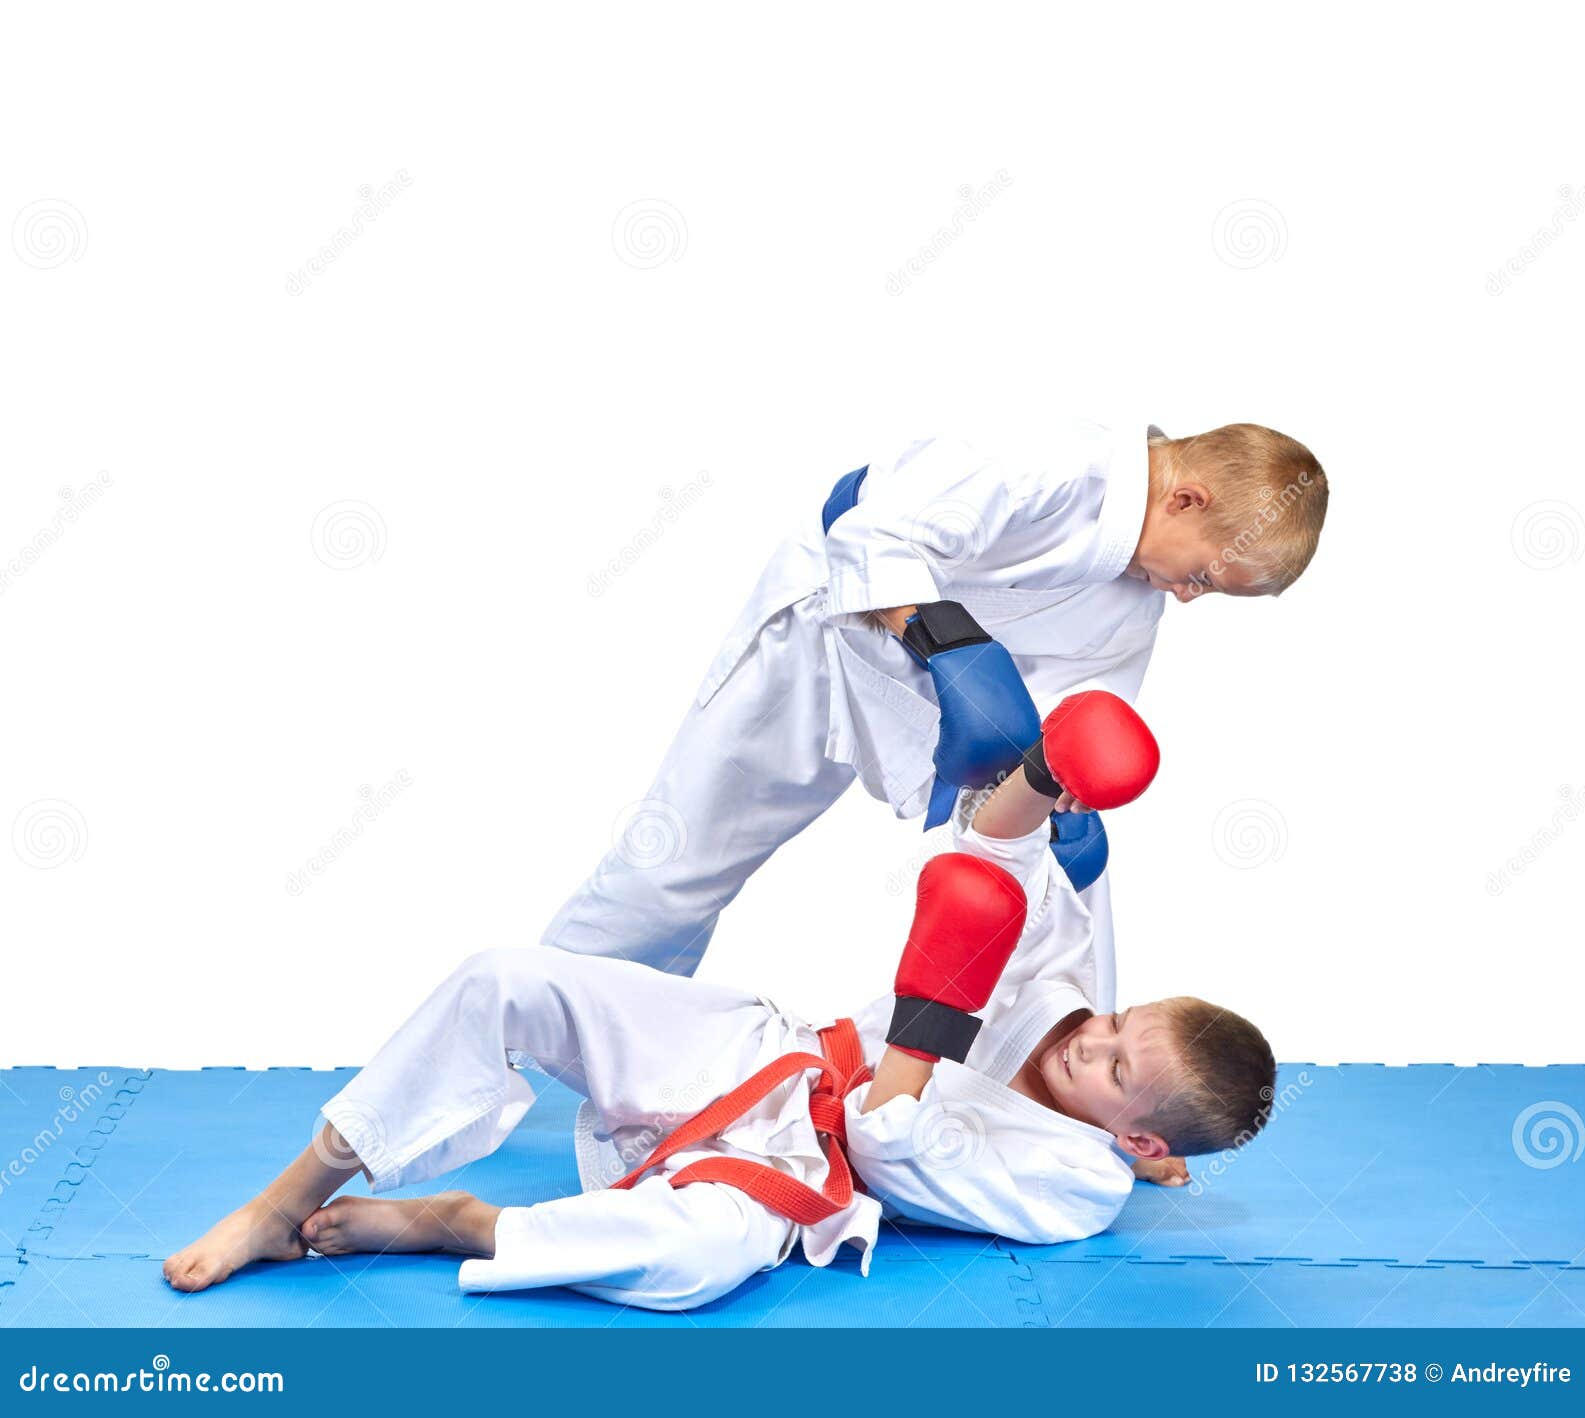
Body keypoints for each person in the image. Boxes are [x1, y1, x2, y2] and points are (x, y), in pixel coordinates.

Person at [164, 695, 1276, 1310]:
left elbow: (889, 1148)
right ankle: (283, 1199)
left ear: (1136, 1139)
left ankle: (464, 1222)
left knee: (695, 1262)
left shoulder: (1075, 1184)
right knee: (507, 974)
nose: (1093, 1031)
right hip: (764, 1051)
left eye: (1117, 1064)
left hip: (802, 1170)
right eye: (1120, 1019)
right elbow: (997, 845)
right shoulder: (1066, 1003)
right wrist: (1042, 767)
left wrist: (934, 1006)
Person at [543, 419, 1328, 978]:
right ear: (1186, 501)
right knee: (680, 861)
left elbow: (1075, 727)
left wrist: (1058, 798)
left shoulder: (1135, 605)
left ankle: (1084, 1097)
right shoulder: (1051, 465)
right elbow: (865, 525)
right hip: (823, 643)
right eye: (1202, 576)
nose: (1189, 599)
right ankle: (530, 1017)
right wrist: (951, 646)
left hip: (936, 701)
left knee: (1057, 867)